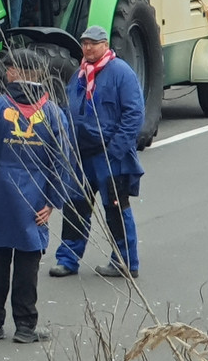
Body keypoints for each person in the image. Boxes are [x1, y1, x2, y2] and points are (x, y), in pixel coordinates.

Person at [0, 50, 72, 344]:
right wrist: (53, 201)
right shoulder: (53, 113)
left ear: (12, 72)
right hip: (36, 195)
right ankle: (26, 326)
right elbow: (63, 159)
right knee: (28, 257)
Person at [49, 25, 145, 279]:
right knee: (74, 206)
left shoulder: (120, 72)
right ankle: (68, 259)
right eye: (85, 43)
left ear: (105, 45)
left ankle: (125, 262)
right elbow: (69, 109)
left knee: (115, 208)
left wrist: (115, 150)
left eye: (93, 43)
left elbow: (135, 114)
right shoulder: (79, 74)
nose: (88, 47)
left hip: (109, 156)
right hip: (81, 155)